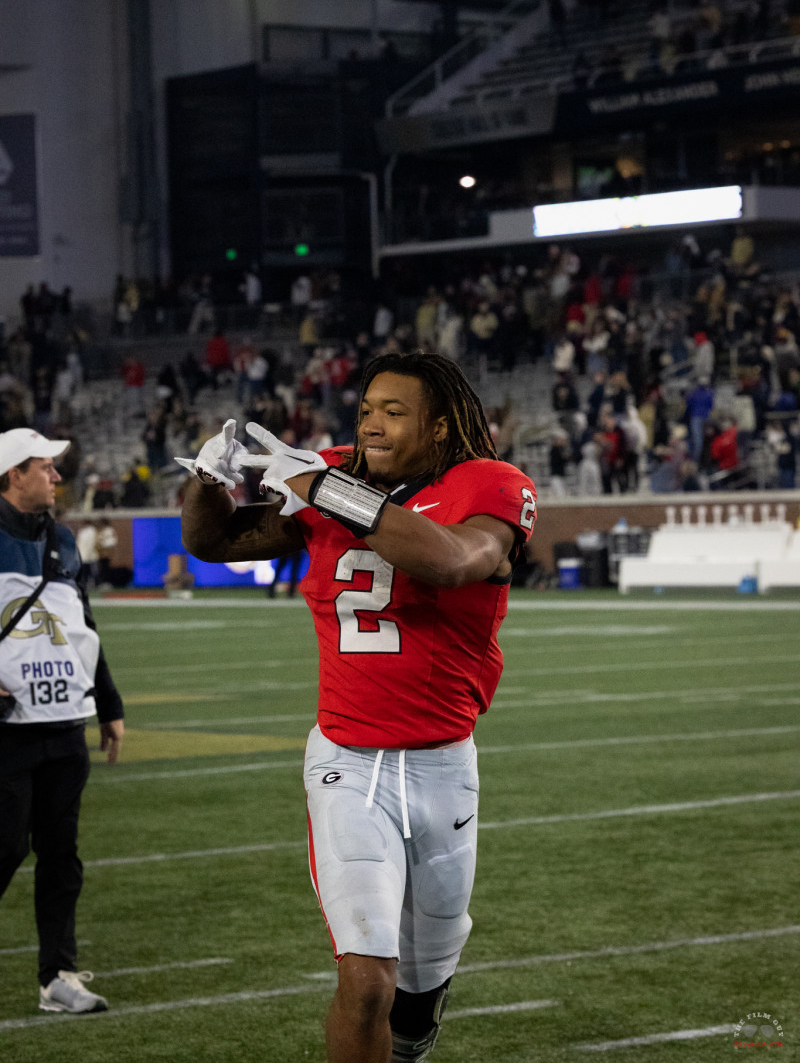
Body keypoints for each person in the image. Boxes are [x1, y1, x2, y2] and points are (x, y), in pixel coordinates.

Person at [178, 352, 537, 1063]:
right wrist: (207, 483)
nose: (371, 423)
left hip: (442, 769)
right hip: (348, 763)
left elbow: (453, 560)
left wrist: (322, 489)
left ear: (440, 426)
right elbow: (213, 541)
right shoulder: (336, 474)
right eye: (367, 408)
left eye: (394, 412)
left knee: (417, 998)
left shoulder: (489, 482)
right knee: (368, 979)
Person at [0, 428, 124, 1014]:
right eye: (44, 467)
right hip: (7, 730)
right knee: (4, 847)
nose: (56, 476)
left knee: (61, 856)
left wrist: (110, 705)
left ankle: (58, 975)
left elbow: (82, 626)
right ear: (12, 475)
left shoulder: (64, 540)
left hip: (64, 721)